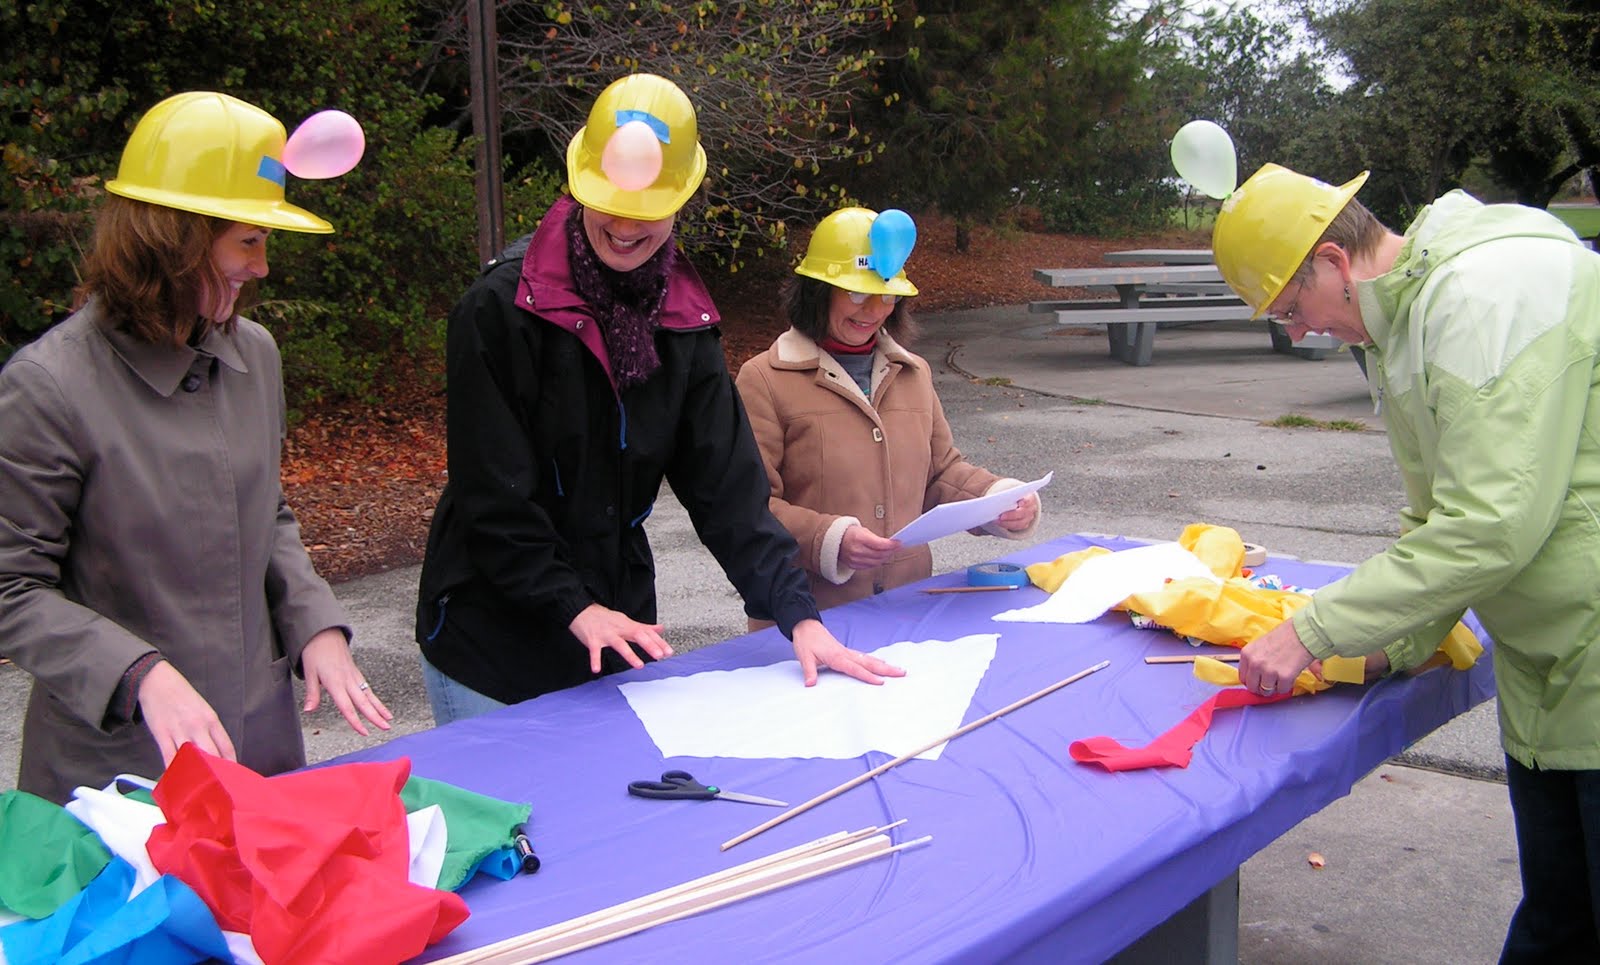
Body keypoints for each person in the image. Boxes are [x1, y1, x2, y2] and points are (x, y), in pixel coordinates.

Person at [415, 74, 902, 724]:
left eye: (647, 209)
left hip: (616, 632)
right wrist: (574, 607)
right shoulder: (498, 312)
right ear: (581, 186)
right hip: (492, 641)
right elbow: (493, 497)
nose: (625, 225)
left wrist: (798, 615)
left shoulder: (684, 322)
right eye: (610, 203)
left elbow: (729, 492)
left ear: (681, 200)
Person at [1213, 162, 1600, 962]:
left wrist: (1313, 630)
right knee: (1560, 919)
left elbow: (1489, 524)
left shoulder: (1484, 296)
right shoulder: (1408, 323)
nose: (1298, 332)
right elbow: (1435, 517)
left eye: (1290, 309)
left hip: (1588, 649)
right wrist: (1389, 643)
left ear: (1333, 261)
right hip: (1549, 665)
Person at [0, 91, 391, 804]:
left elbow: (266, 514)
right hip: (120, 780)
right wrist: (139, 673)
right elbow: (12, 588)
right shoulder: (47, 385)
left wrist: (314, 624)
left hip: (259, 753)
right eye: (248, 241)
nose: (262, 267)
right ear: (173, 240)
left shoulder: (256, 356)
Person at [734, 207, 1040, 615]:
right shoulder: (764, 379)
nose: (874, 311)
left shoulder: (914, 372)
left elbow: (940, 473)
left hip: (908, 610)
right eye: (857, 294)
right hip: (806, 618)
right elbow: (750, 507)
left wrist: (999, 500)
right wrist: (830, 539)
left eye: (887, 296)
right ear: (817, 291)